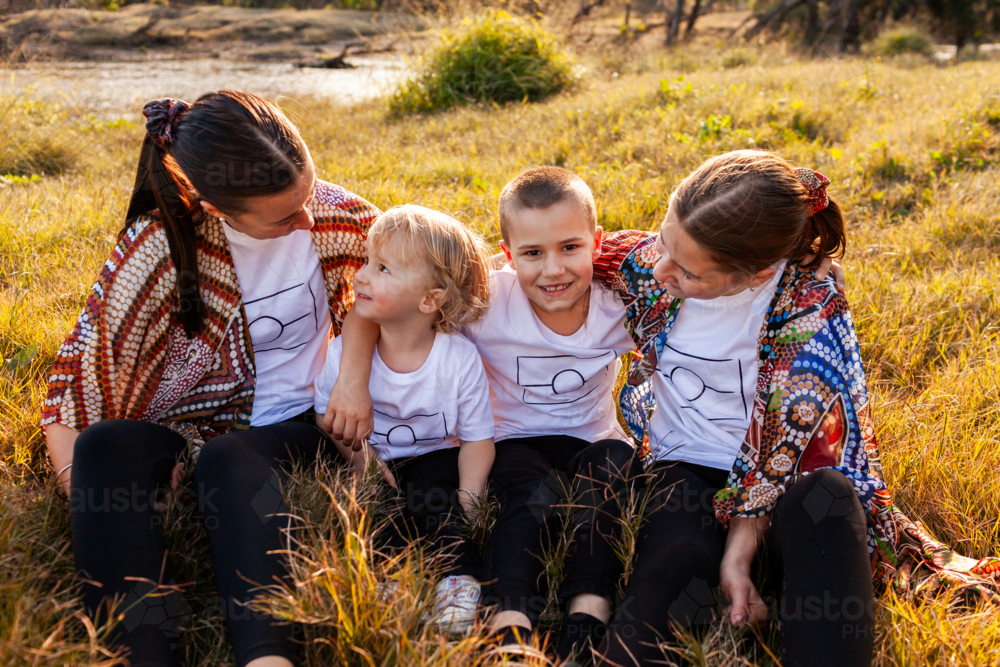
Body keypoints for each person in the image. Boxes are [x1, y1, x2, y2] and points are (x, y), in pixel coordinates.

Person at [587, 150, 1000, 667]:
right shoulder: (650, 264)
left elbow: (784, 448)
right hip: (685, 466)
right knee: (676, 554)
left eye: (690, 272)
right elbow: (556, 255)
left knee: (824, 504)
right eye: (663, 241)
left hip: (788, 478)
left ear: (759, 271)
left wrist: (741, 549)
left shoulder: (807, 306)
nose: (660, 267)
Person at [41, 91, 380, 667]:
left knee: (229, 458)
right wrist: (92, 496)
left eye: (308, 193)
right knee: (101, 448)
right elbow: (78, 386)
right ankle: (139, 653)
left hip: (294, 425)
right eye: (284, 215)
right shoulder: (155, 252)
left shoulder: (340, 216)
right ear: (219, 209)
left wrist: (351, 378)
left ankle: (266, 656)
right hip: (186, 423)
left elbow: (382, 298)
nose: (308, 216)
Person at [466, 167, 643, 662]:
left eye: (570, 248)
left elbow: (704, 275)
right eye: (532, 253)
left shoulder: (620, 304)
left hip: (595, 439)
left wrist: (801, 271)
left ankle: (586, 619)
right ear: (507, 255)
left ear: (597, 242)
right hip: (516, 439)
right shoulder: (487, 303)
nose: (553, 270)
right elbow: (412, 312)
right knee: (526, 503)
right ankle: (510, 625)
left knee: (604, 491)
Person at [313, 205, 496, 634]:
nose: (359, 277)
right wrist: (365, 467)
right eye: (366, 263)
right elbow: (327, 416)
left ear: (430, 299)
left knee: (441, 509)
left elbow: (476, 438)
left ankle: (458, 586)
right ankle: (391, 587)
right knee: (380, 514)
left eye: (382, 269)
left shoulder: (458, 359)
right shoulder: (345, 354)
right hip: (369, 458)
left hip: (433, 457)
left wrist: (470, 498)